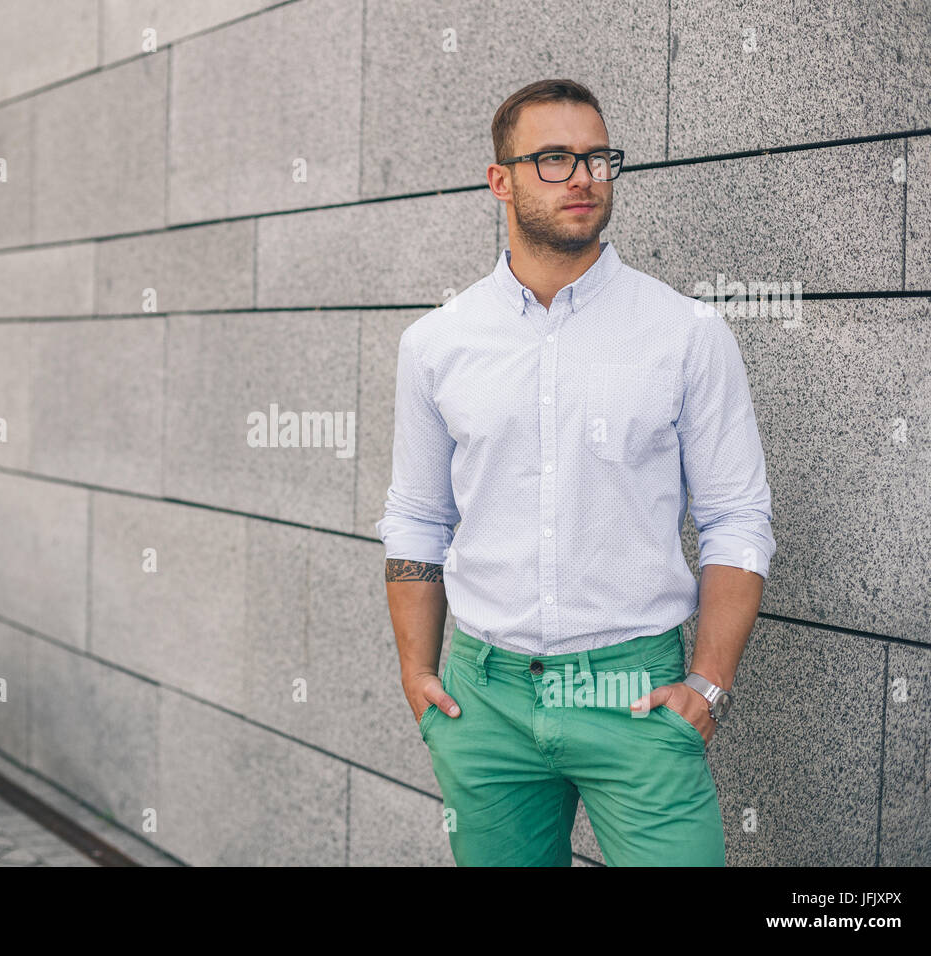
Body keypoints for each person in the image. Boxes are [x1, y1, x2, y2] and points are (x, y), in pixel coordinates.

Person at [376, 78, 775, 866]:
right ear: (502, 181)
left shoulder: (686, 333)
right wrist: (416, 674)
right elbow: (418, 519)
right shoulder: (436, 344)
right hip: (483, 701)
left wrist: (710, 685)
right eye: (554, 158)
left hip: (636, 695)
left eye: (597, 156)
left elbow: (737, 519)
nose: (585, 176)